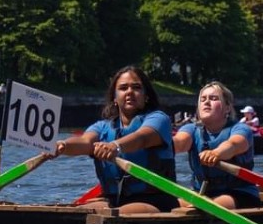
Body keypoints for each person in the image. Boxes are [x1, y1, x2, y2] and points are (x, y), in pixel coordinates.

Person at [49, 65, 178, 214]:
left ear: (146, 96)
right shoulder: (101, 127)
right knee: (77, 212)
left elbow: (142, 138)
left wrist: (115, 146)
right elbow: (85, 142)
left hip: (156, 202)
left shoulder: (159, 119)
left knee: (117, 213)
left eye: (136, 87)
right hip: (113, 200)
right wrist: (61, 146)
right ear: (115, 98)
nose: (129, 91)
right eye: (123, 88)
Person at [173, 81, 259, 209]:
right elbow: (179, 143)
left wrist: (215, 154)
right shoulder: (190, 129)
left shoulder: (240, 129)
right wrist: (159, 145)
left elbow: (234, 145)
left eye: (213, 98)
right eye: (203, 99)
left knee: (211, 205)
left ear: (228, 107)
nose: (207, 102)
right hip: (201, 194)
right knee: (169, 204)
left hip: (239, 194)